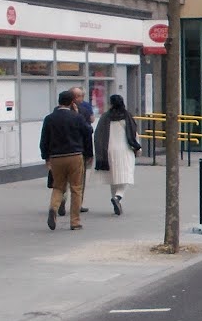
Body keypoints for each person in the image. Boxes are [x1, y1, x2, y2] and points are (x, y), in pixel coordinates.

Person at [40, 88, 93, 230]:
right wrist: (89, 154)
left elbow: (44, 140)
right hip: (75, 155)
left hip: (56, 157)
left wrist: (46, 157)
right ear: (72, 102)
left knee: (58, 187)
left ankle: (53, 208)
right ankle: (75, 222)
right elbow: (88, 132)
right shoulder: (76, 117)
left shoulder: (49, 118)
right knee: (76, 188)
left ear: (59, 102)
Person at [95, 93, 142, 214]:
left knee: (113, 177)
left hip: (108, 150)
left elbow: (98, 135)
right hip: (125, 149)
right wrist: (137, 147)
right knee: (126, 176)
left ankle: (115, 201)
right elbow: (133, 133)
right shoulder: (127, 116)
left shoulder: (105, 117)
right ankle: (118, 197)